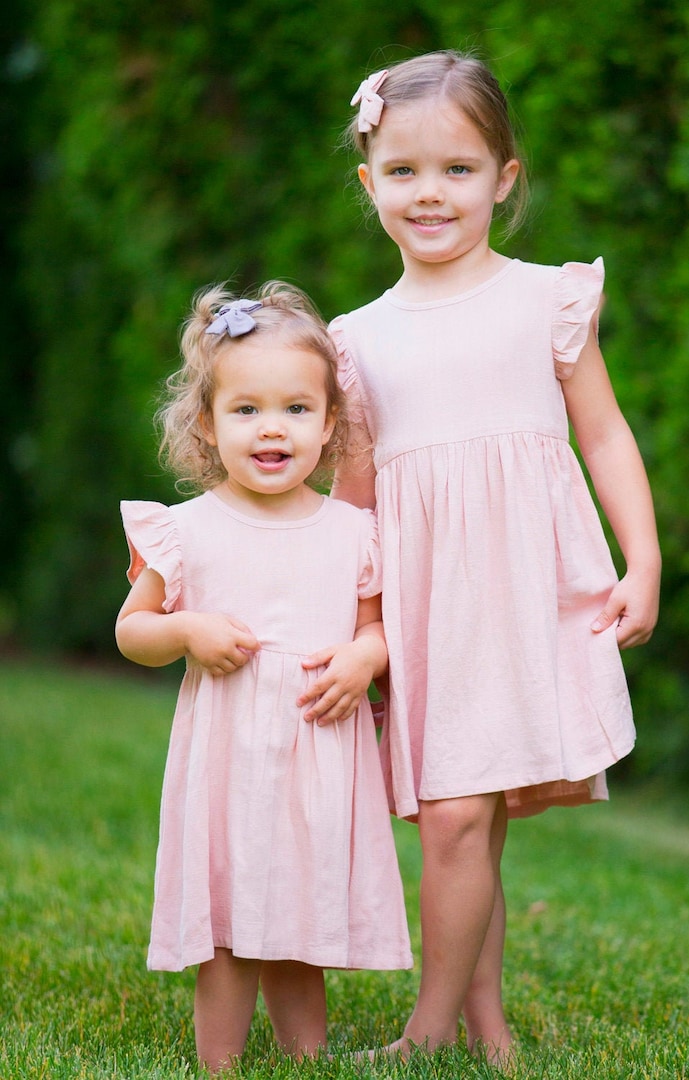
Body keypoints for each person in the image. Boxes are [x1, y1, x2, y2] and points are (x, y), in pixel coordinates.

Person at [304, 49, 662, 1065]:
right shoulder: (356, 341)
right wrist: (327, 608)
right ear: (370, 184)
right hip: (424, 605)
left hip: (522, 594)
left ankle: (442, 1029)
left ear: (505, 178)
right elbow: (354, 495)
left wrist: (643, 558)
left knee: (474, 817)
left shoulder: (546, 299)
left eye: (458, 169)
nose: (431, 194)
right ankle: (476, 1025)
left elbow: (604, 435)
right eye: (404, 172)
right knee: (456, 818)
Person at [114, 281, 412, 1073]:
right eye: (245, 410)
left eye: (295, 409)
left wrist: (365, 657)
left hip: (314, 754)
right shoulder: (185, 531)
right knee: (227, 921)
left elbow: (379, 627)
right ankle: (220, 1062)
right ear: (206, 423)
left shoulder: (354, 533)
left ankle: (303, 1058)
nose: (271, 428)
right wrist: (184, 629)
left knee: (300, 914)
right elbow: (131, 630)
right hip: (228, 761)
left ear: (329, 425)